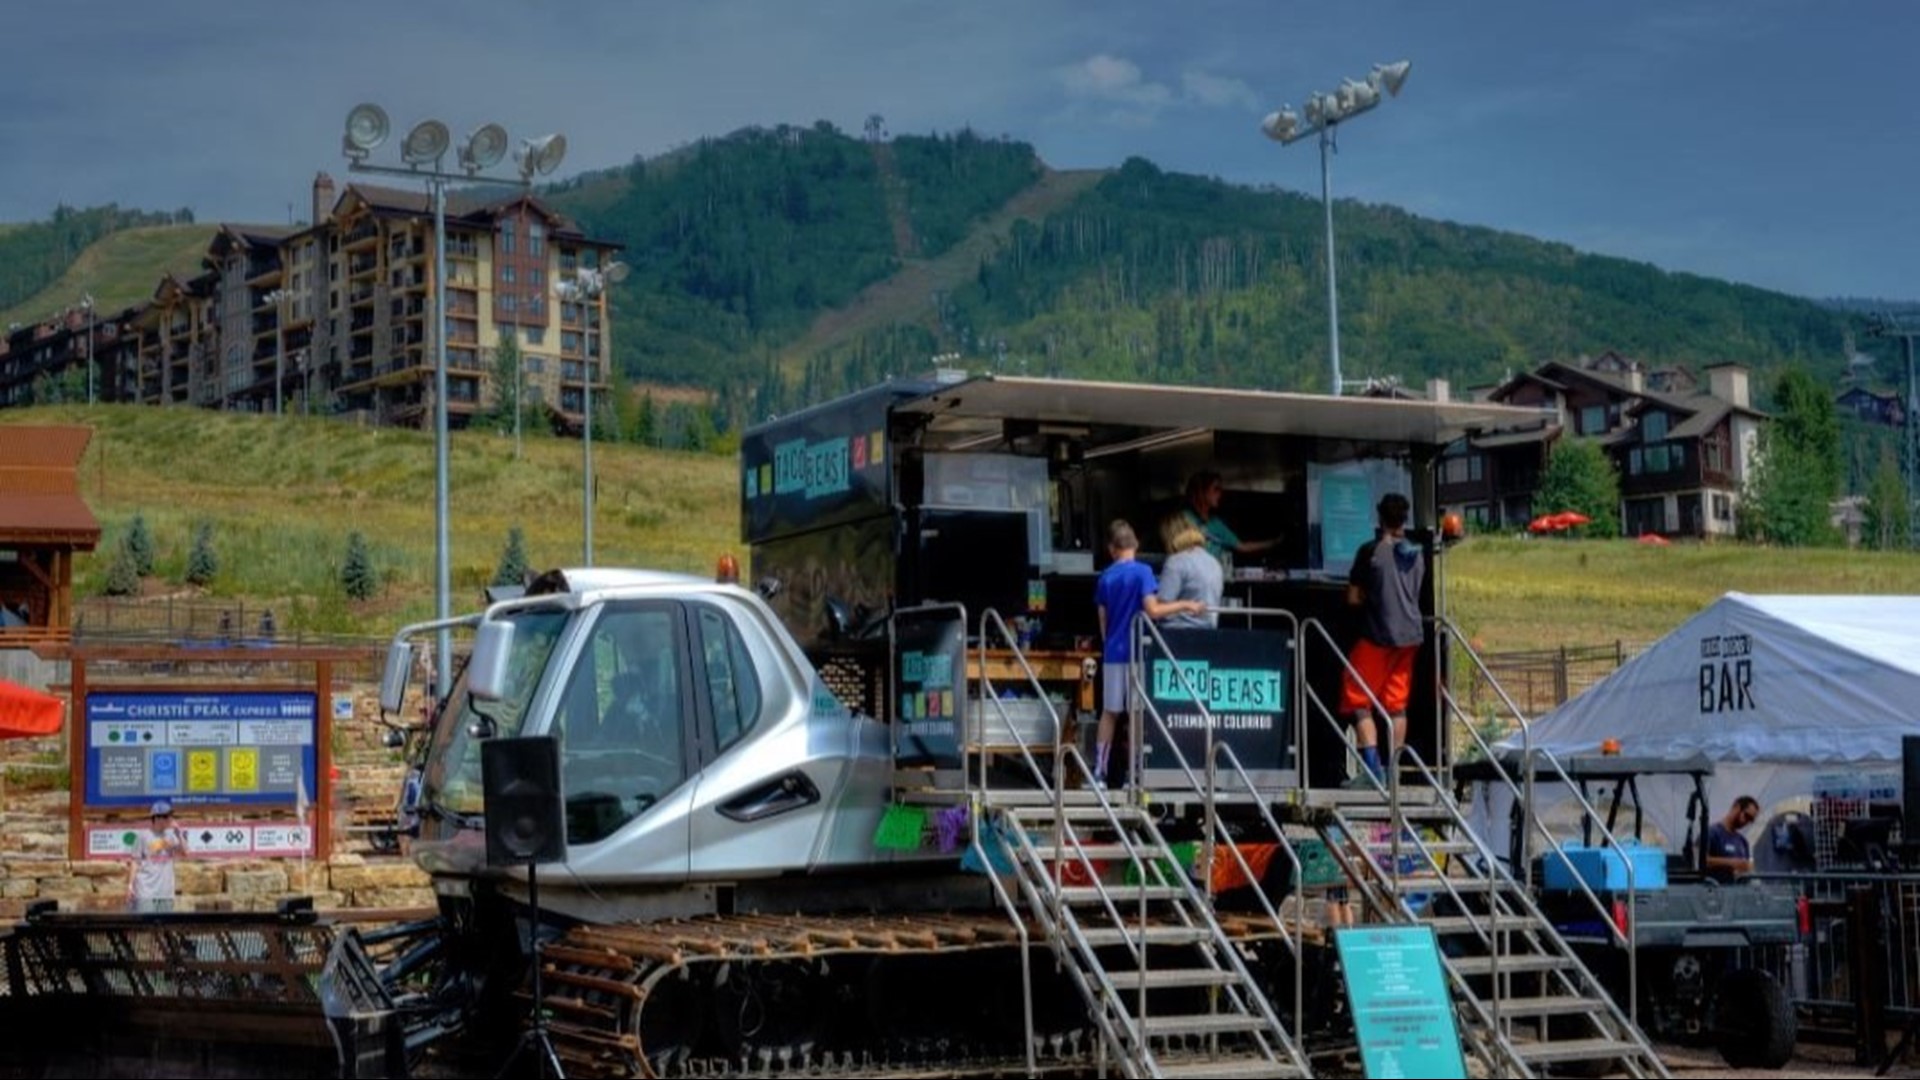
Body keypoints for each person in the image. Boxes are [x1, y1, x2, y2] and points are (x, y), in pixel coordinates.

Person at [1093, 519, 1204, 784]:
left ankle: (1099, 771)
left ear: (1111, 549)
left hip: (1112, 652)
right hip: (1136, 652)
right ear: (1136, 544)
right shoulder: (1143, 572)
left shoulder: (1105, 577)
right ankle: (1134, 774)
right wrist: (1185, 604)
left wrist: (1109, 643)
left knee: (1109, 713)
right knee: (1136, 715)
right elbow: (1153, 610)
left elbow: (1103, 620)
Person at [1341, 492, 1425, 785]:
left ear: (1379, 517)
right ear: (1404, 518)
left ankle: (1372, 772)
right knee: (1396, 703)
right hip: (1410, 636)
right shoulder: (1417, 552)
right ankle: (1393, 772)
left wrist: (1367, 594)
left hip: (1378, 635)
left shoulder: (1371, 551)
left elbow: (1352, 597)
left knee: (1358, 698)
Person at [1182, 471, 1279, 569]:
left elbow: (1242, 546)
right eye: (1216, 489)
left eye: (1220, 489)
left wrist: (1274, 542)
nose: (1220, 493)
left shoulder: (1216, 523)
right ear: (1201, 491)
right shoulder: (1183, 518)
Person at [1157, 514, 1223, 630]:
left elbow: (1161, 607)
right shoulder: (1214, 562)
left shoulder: (1176, 561)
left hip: (1176, 633)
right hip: (1209, 631)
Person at [128, 800, 185, 912]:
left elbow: (184, 853)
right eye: (167, 816)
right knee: (145, 928)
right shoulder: (143, 836)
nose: (170, 819)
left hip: (166, 893)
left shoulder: (171, 836)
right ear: (157, 818)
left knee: (164, 928)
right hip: (146, 892)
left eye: (171, 816)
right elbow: (135, 862)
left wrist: (179, 834)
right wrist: (130, 885)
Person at [1705, 795, 1760, 878]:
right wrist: (1732, 863)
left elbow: (1745, 871)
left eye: (1751, 820)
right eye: (1746, 816)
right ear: (1736, 807)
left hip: (1737, 889)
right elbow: (1698, 862)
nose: (1746, 822)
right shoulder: (1711, 833)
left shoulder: (1743, 842)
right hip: (1715, 888)